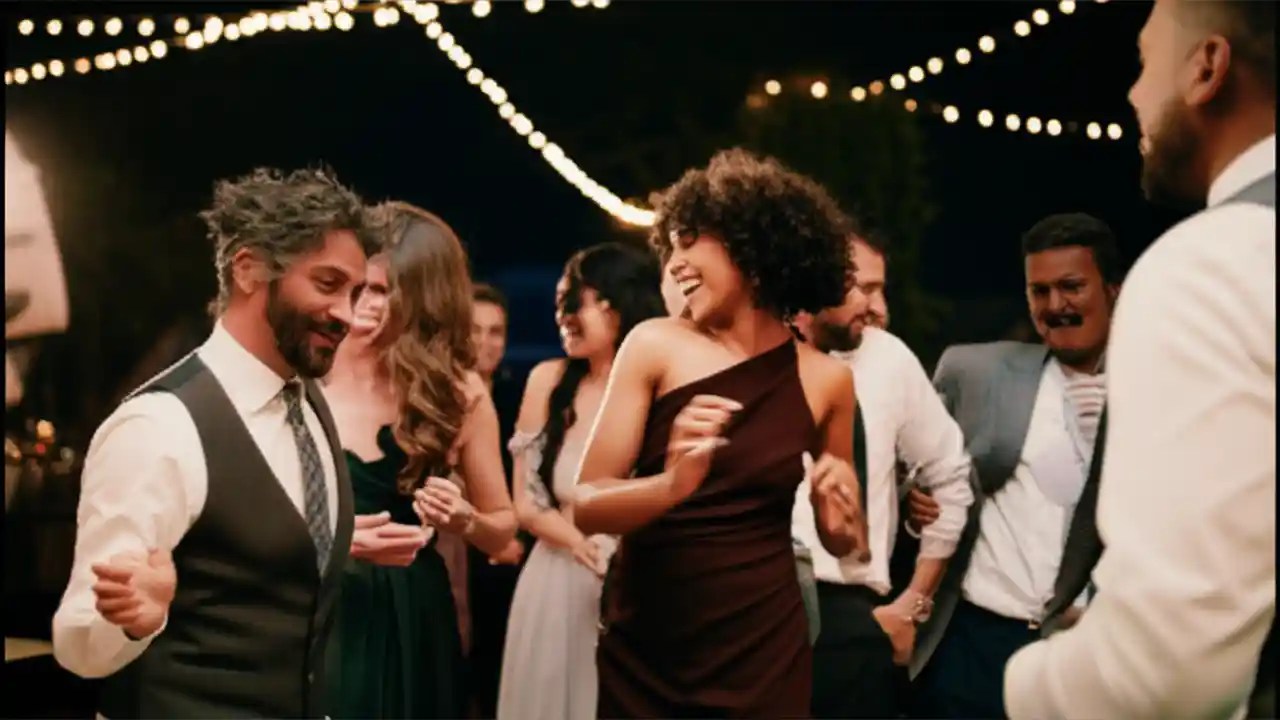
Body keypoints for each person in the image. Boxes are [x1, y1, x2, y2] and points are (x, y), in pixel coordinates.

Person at [51, 167, 405, 718]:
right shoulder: (158, 427)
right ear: (249, 268)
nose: (346, 314)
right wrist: (135, 618)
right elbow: (77, 642)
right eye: (328, 284)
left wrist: (333, 539)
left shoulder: (307, 403)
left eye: (356, 292)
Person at [1004, 2, 1275, 718]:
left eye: (1143, 61)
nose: (1130, 95)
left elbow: (1169, 672)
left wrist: (1028, 686)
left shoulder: (1214, 263)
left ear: (1206, 68)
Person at [573, 149, 867, 717]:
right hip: (650, 651)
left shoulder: (828, 381)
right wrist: (670, 486)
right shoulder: (654, 345)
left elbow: (844, 541)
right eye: (671, 246)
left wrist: (841, 520)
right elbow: (586, 505)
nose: (676, 262)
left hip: (763, 652)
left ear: (754, 246)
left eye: (690, 240)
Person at [908, 213, 1121, 719]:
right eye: (1039, 290)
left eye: (1071, 287)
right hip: (975, 647)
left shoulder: (1160, 391)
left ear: (1113, 289)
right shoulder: (973, 371)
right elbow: (911, 466)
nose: (1055, 306)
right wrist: (913, 498)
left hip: (1095, 651)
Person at [322, 202, 517, 719]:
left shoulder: (458, 393)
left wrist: (464, 518)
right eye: (356, 285)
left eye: (382, 290)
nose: (362, 303)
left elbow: (503, 531)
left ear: (424, 296)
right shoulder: (305, 366)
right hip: (319, 599)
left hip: (411, 614)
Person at [791, 234, 974, 719]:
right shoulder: (756, 352)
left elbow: (953, 478)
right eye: (860, 288)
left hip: (851, 614)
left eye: (878, 289)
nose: (876, 307)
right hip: (759, 607)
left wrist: (911, 605)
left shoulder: (888, 358)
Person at [497, 242, 665, 720]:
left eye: (575, 301)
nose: (563, 316)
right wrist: (581, 546)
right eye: (558, 305)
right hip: (559, 579)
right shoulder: (547, 381)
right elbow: (526, 504)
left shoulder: (660, 388)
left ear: (620, 302)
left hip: (639, 583)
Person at [468, 281, 529, 718]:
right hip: (456, 552)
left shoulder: (518, 399)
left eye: (496, 332)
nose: (485, 343)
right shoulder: (435, 397)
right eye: (473, 330)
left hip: (513, 555)